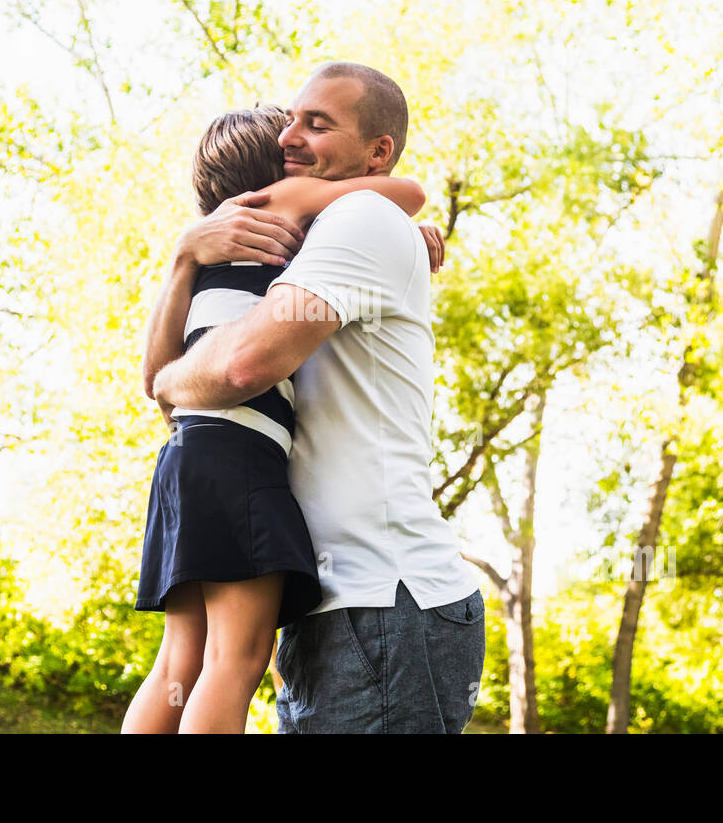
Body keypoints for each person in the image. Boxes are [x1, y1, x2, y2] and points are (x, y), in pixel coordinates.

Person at [146, 62, 485, 734]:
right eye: (290, 123)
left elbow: (238, 365)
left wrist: (167, 375)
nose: (292, 139)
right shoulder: (302, 235)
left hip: (382, 599)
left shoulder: (352, 218)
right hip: (337, 601)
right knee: (215, 665)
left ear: (375, 151)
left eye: (317, 124)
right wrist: (183, 260)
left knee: (190, 664)